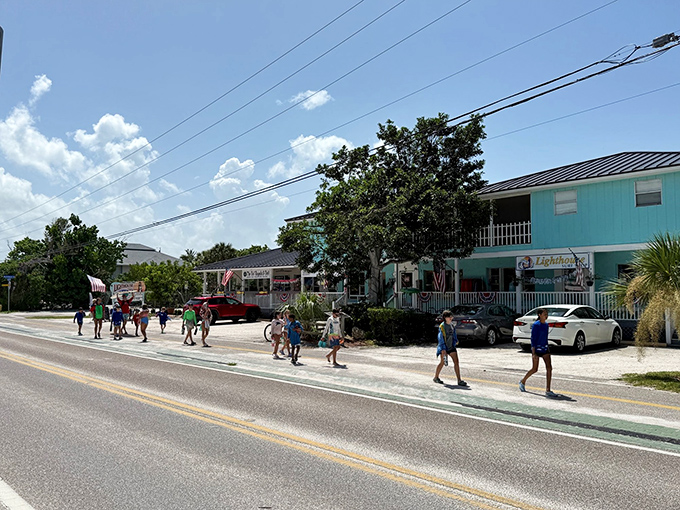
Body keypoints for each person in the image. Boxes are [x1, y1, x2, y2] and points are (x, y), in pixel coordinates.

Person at [519, 308, 559, 397]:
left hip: (545, 348)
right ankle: (523, 381)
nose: (546, 315)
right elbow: (533, 339)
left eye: (547, 313)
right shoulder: (536, 325)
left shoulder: (546, 325)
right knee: (535, 369)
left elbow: (545, 337)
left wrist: (547, 346)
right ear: (539, 315)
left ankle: (548, 390)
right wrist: (533, 353)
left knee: (549, 368)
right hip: (536, 349)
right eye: (544, 313)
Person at [433, 310, 467, 386]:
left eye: (451, 316)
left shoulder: (452, 325)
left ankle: (459, 380)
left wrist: (455, 342)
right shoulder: (442, 326)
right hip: (444, 348)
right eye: (449, 317)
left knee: (456, 362)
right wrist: (443, 349)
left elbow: (454, 335)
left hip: (451, 347)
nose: (451, 318)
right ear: (445, 317)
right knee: (442, 363)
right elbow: (440, 338)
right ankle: (436, 377)